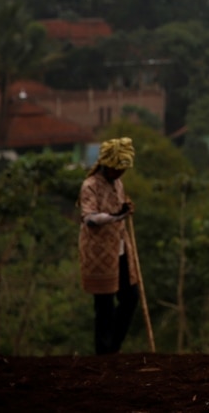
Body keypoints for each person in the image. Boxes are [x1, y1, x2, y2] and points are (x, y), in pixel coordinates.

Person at [78, 137, 139, 355]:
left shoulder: (118, 184)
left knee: (131, 297)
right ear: (107, 165)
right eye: (117, 168)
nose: (121, 173)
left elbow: (119, 207)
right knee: (104, 306)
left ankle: (114, 347)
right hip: (98, 253)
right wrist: (115, 216)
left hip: (120, 249)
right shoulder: (90, 186)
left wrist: (125, 208)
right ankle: (104, 354)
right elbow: (89, 218)